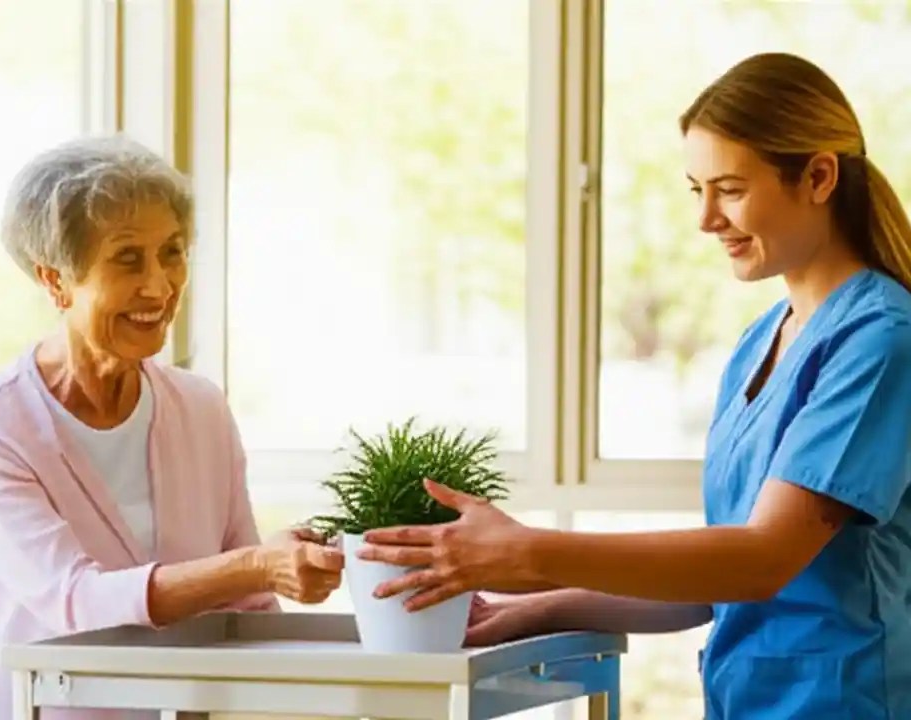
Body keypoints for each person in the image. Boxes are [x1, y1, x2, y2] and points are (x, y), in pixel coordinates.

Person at [357, 52, 911, 719]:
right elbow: (713, 585)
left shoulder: (881, 339)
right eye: (695, 189)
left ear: (818, 176)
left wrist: (531, 552)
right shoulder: (760, 342)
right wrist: (534, 607)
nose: (706, 218)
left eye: (730, 189)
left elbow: (761, 559)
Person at [0, 136, 343, 720]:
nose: (160, 286)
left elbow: (249, 608)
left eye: (171, 252)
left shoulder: (201, 410)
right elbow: (77, 602)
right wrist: (258, 563)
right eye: (127, 259)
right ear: (55, 280)